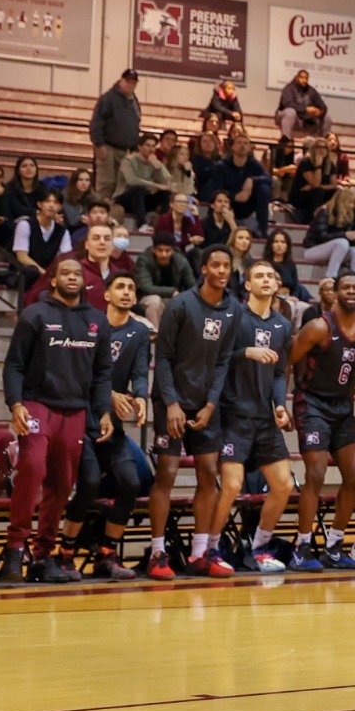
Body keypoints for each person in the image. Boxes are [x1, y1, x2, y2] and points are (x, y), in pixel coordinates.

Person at [2, 256, 114, 583]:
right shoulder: (35, 314)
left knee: (63, 483)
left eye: (77, 273)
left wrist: (104, 410)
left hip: (76, 409)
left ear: (84, 281)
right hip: (39, 404)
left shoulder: (98, 321)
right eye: (65, 272)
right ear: (53, 280)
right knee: (33, 467)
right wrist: (15, 404)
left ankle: (42, 555)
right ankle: (14, 546)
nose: (71, 277)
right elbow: (13, 366)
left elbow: (103, 372)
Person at [147, 246, 240, 579]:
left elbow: (224, 361)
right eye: (215, 264)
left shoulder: (234, 309)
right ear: (204, 269)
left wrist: (211, 405)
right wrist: (171, 403)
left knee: (208, 472)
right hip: (170, 401)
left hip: (205, 405)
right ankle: (158, 552)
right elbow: (164, 358)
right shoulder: (181, 304)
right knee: (167, 473)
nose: (220, 270)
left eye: (226, 265)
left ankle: (200, 552)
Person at [215, 260, 297, 573]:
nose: (266, 280)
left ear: (277, 285)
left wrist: (279, 404)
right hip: (234, 414)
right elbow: (218, 360)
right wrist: (246, 352)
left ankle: (260, 546)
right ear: (247, 285)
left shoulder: (283, 325)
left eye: (271, 276)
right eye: (259, 276)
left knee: (283, 484)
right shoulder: (234, 316)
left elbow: (279, 373)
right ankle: (209, 546)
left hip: (264, 417)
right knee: (232, 486)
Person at [66, 273, 149, 579]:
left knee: (130, 482)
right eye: (121, 287)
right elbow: (79, 373)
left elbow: (140, 373)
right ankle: (66, 553)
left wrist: (141, 398)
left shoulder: (139, 333)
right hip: (83, 418)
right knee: (87, 484)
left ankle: (106, 554)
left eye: (131, 287)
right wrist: (109, 394)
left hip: (113, 426)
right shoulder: (90, 325)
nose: (127, 292)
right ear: (107, 295)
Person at [288, 273, 355, 569]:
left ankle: (334, 544)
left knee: (354, 476)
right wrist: (281, 405)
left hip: (341, 407)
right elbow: (289, 359)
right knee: (316, 474)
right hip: (311, 403)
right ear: (335, 292)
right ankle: (302, 545)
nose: (351, 291)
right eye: (346, 287)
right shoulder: (319, 326)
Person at [200, 132, 273, 234]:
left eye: (245, 143)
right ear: (233, 147)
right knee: (220, 198)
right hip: (229, 204)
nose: (242, 146)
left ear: (249, 148)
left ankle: (262, 230)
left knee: (264, 188)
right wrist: (234, 196)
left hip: (247, 205)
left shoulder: (253, 164)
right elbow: (217, 191)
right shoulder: (222, 166)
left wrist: (251, 180)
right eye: (239, 142)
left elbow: (269, 179)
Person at [89, 71, 143, 204]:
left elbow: (136, 125)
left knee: (121, 184)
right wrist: (99, 144)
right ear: (121, 81)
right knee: (106, 183)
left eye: (133, 82)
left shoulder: (134, 101)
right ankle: (101, 209)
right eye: (128, 81)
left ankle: (114, 212)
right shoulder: (108, 98)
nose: (130, 85)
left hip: (127, 150)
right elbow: (97, 122)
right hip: (108, 147)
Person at [303, 185, 355, 281]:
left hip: (337, 248)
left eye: (353, 203)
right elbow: (322, 236)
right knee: (342, 243)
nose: (352, 206)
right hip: (313, 248)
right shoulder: (324, 212)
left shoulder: (349, 215)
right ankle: (331, 276)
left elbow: (348, 241)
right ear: (342, 202)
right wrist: (345, 235)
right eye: (350, 202)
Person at [10, 189, 70, 289]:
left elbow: (65, 258)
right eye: (47, 201)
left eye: (55, 202)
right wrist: (44, 273)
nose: (51, 205)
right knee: (31, 272)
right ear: (39, 204)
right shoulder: (25, 225)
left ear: (60, 207)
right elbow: (22, 257)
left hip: (49, 275)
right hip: (25, 273)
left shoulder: (63, 231)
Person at [114, 132, 173, 229]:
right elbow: (131, 181)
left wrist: (158, 167)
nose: (151, 149)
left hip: (145, 199)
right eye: (148, 145)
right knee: (138, 189)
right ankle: (142, 225)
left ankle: (164, 225)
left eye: (153, 146)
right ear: (140, 147)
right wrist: (155, 185)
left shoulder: (154, 161)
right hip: (126, 197)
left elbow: (167, 183)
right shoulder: (128, 160)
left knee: (165, 193)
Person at [135, 232, 197, 320]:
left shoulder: (181, 261)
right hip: (147, 298)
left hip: (173, 299)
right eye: (160, 250)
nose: (164, 254)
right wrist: (172, 291)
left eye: (167, 250)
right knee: (154, 301)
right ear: (154, 249)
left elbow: (192, 285)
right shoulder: (144, 260)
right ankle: (155, 333)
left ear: (172, 250)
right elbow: (146, 287)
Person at [277, 69, 330, 141]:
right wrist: (305, 109)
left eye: (306, 78)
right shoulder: (289, 88)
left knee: (327, 117)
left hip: (305, 120)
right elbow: (287, 104)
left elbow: (322, 105)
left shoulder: (311, 90)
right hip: (286, 116)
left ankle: (322, 144)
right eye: (302, 78)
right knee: (290, 112)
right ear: (296, 77)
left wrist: (320, 112)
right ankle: (285, 142)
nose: (304, 80)